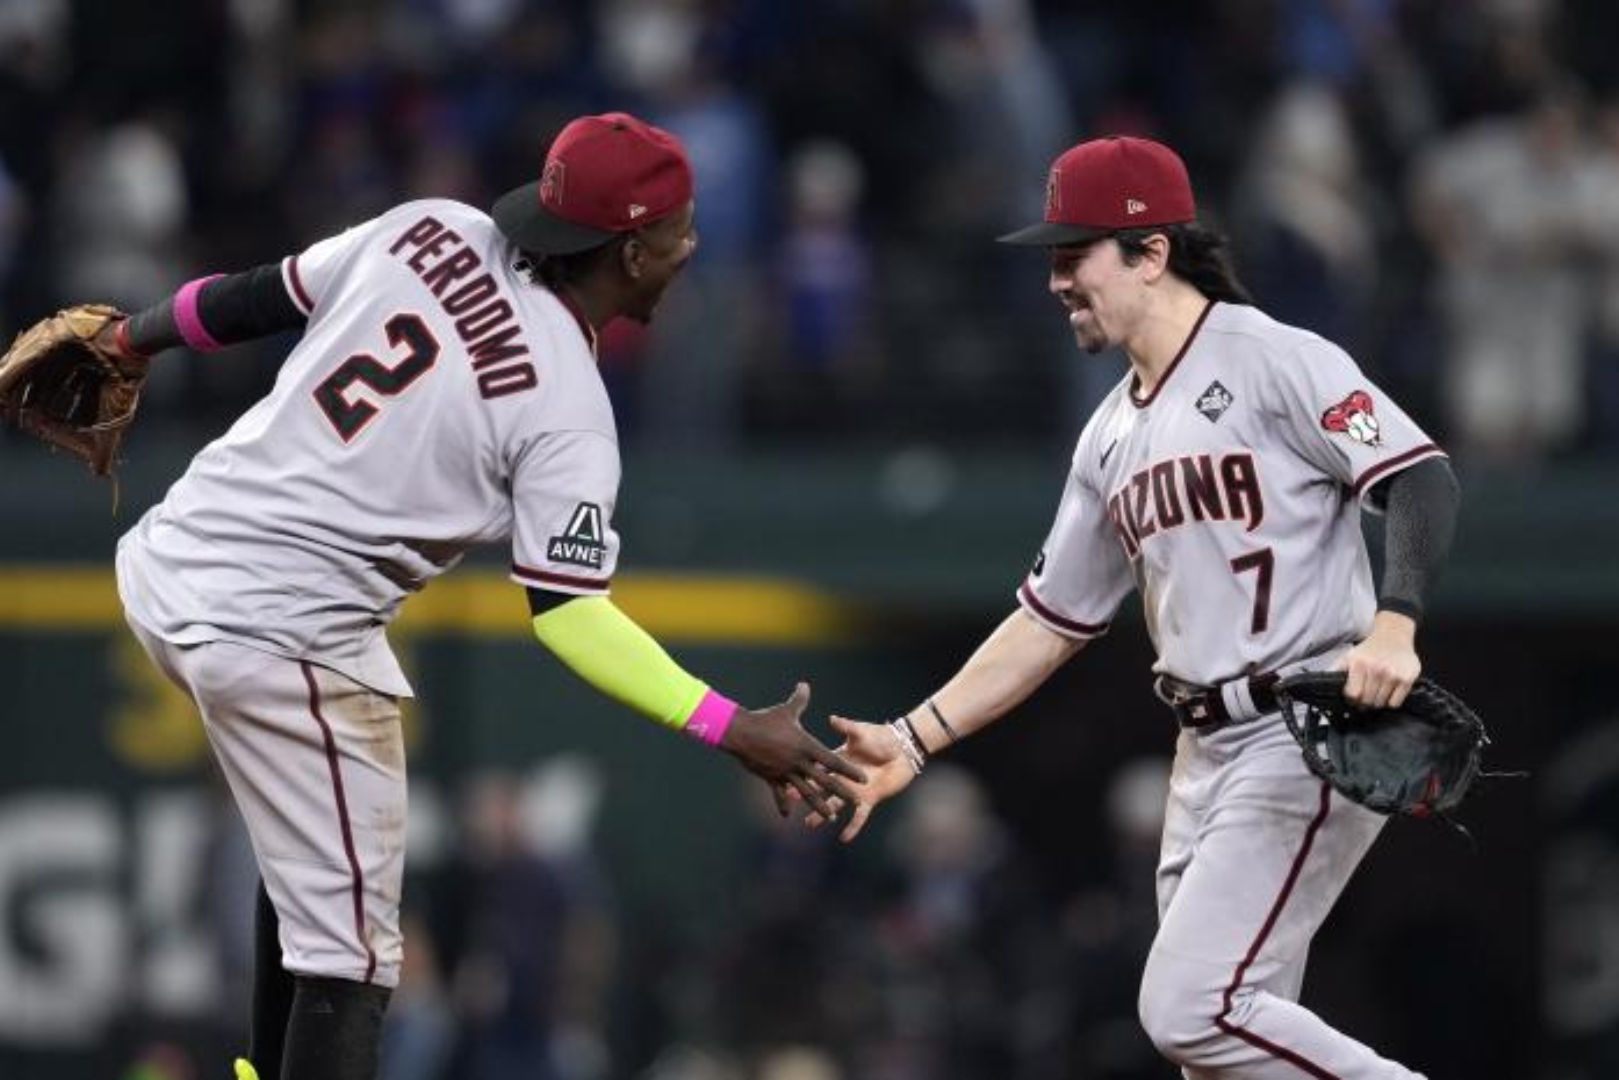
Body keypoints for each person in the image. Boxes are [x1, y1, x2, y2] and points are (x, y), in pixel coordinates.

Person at [99, 112, 864, 1080]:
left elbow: (262, 294)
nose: (691, 247)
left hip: (173, 557)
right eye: (679, 231)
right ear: (631, 251)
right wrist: (728, 726)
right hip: (281, 632)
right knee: (355, 958)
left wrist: (130, 336)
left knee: (314, 866)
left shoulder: (430, 225)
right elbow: (571, 616)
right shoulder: (567, 409)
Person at [828, 135, 1460, 1079]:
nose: (1057, 281)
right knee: (1219, 1053)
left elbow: (1420, 478)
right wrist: (914, 738)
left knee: (1189, 1010)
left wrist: (1396, 625)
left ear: (1151, 252)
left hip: (1305, 724)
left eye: (1073, 254)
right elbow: (1048, 619)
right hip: (1202, 754)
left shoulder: (1275, 359)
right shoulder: (1109, 433)